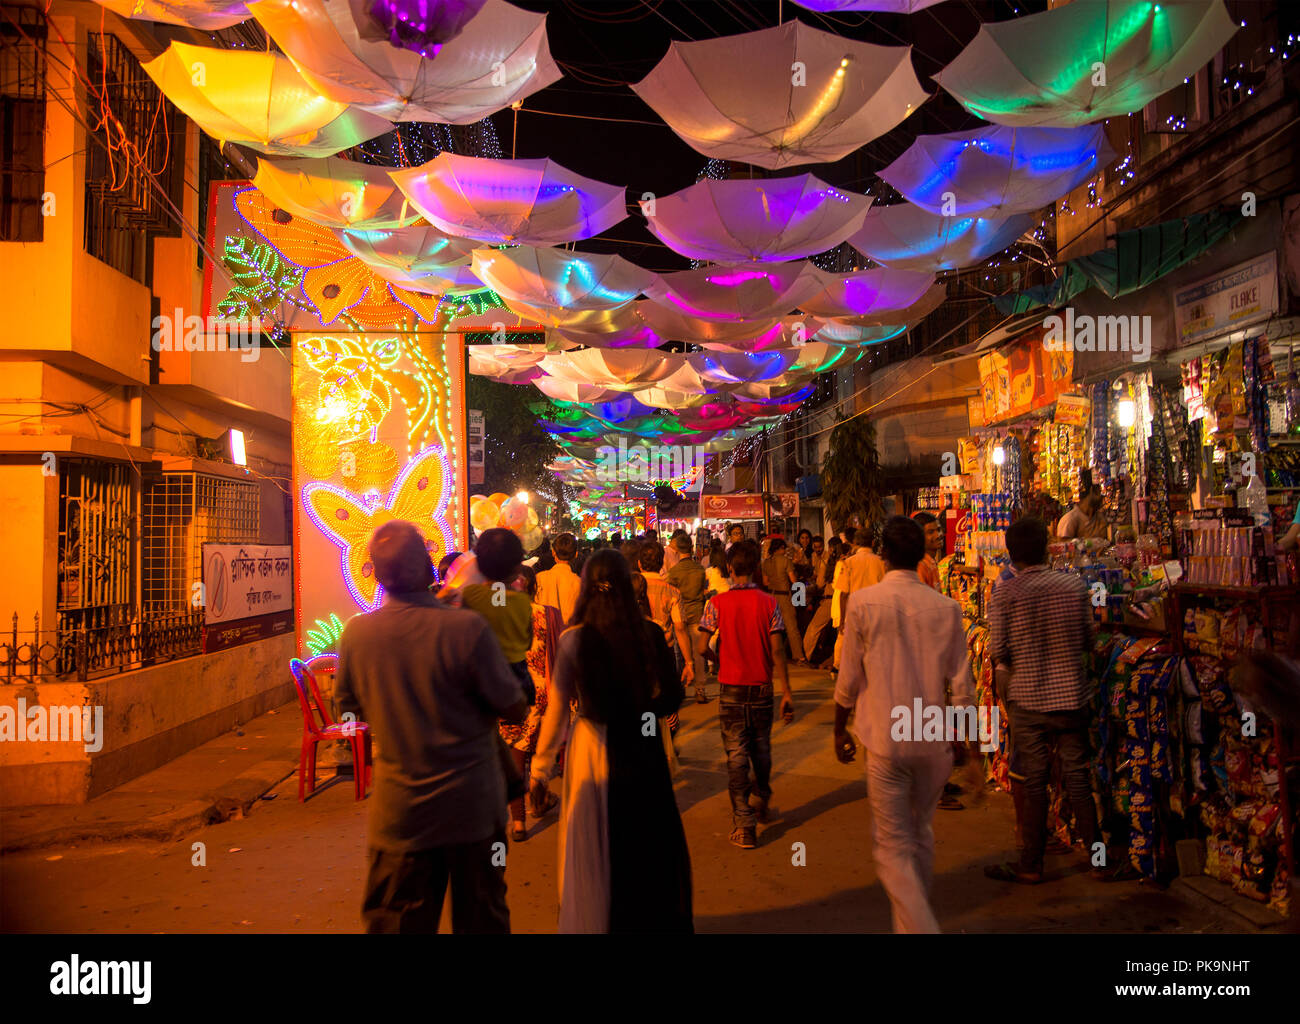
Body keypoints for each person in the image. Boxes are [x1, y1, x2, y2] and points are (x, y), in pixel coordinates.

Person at [335, 520, 528, 934]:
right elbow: (514, 709)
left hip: (401, 817)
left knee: (398, 923)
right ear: (427, 568)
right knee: (483, 921)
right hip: (474, 813)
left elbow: (348, 712)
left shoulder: (356, 635)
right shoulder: (466, 628)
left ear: (375, 573)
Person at [529, 550, 693, 933]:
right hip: (643, 743)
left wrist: (540, 768)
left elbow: (556, 711)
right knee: (647, 840)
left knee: (597, 848)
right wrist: (643, 708)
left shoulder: (574, 639)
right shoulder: (649, 632)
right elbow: (672, 696)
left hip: (592, 748)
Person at [832, 516, 973, 933]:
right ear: (921, 554)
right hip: (930, 736)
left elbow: (848, 678)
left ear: (885, 555)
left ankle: (922, 927)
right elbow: (962, 684)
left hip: (886, 737)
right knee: (920, 834)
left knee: (893, 848)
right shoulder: (947, 608)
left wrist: (839, 727)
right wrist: (964, 739)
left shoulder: (863, 603)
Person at [984, 516, 1107, 885]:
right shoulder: (1072, 586)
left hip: (1028, 700)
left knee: (1035, 783)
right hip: (1070, 697)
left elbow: (999, 649)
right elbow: (1089, 640)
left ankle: (1031, 865)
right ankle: (1100, 862)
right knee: (1079, 780)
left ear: (1010, 552)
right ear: (1046, 548)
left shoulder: (1004, 592)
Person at [696, 539, 795, 849]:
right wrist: (787, 691)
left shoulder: (717, 604)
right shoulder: (769, 603)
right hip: (762, 687)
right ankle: (762, 797)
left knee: (737, 756)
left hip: (731, 689)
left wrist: (719, 660)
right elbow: (778, 650)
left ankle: (744, 823)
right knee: (762, 748)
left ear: (728, 569)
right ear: (754, 568)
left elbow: (702, 647)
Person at [500, 566, 564, 842]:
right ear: (533, 586)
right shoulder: (549, 613)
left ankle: (518, 823)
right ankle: (539, 801)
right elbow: (560, 654)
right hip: (542, 693)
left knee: (515, 758)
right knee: (539, 756)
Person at [461, 529, 535, 705]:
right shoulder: (522, 601)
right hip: (515, 673)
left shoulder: (470, 595)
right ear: (518, 566)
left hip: (479, 674)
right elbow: (528, 642)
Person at [639, 541, 695, 687]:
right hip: (664, 651)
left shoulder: (627, 588)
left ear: (639, 563)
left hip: (637, 653)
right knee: (665, 700)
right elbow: (680, 627)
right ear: (662, 562)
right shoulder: (671, 591)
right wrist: (689, 662)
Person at [832, 524, 886, 670]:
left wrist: (842, 620)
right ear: (873, 543)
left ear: (855, 543)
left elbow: (843, 594)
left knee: (854, 657)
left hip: (854, 616)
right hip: (875, 616)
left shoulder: (848, 563)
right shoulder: (882, 563)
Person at [667, 533, 711, 703]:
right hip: (697, 612)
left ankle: (682, 686)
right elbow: (704, 590)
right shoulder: (699, 569)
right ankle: (700, 689)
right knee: (698, 653)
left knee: (680, 652)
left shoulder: (674, 572)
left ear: (677, 549)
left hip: (680, 614)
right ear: (691, 548)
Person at [761, 537, 807, 663]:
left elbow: (765, 582)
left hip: (771, 596)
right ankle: (799, 655)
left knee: (772, 628)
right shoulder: (786, 561)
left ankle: (770, 654)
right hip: (784, 597)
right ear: (781, 548)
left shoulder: (765, 563)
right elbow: (793, 581)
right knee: (791, 627)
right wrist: (800, 599)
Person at [536, 531, 582, 624]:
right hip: (568, 635)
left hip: (545, 635)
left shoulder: (539, 578)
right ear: (576, 554)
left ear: (553, 553)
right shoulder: (579, 583)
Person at [911, 512, 943, 590]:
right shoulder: (920, 565)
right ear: (919, 536)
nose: (938, 535)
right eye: (931, 532)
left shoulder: (930, 562)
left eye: (938, 530)